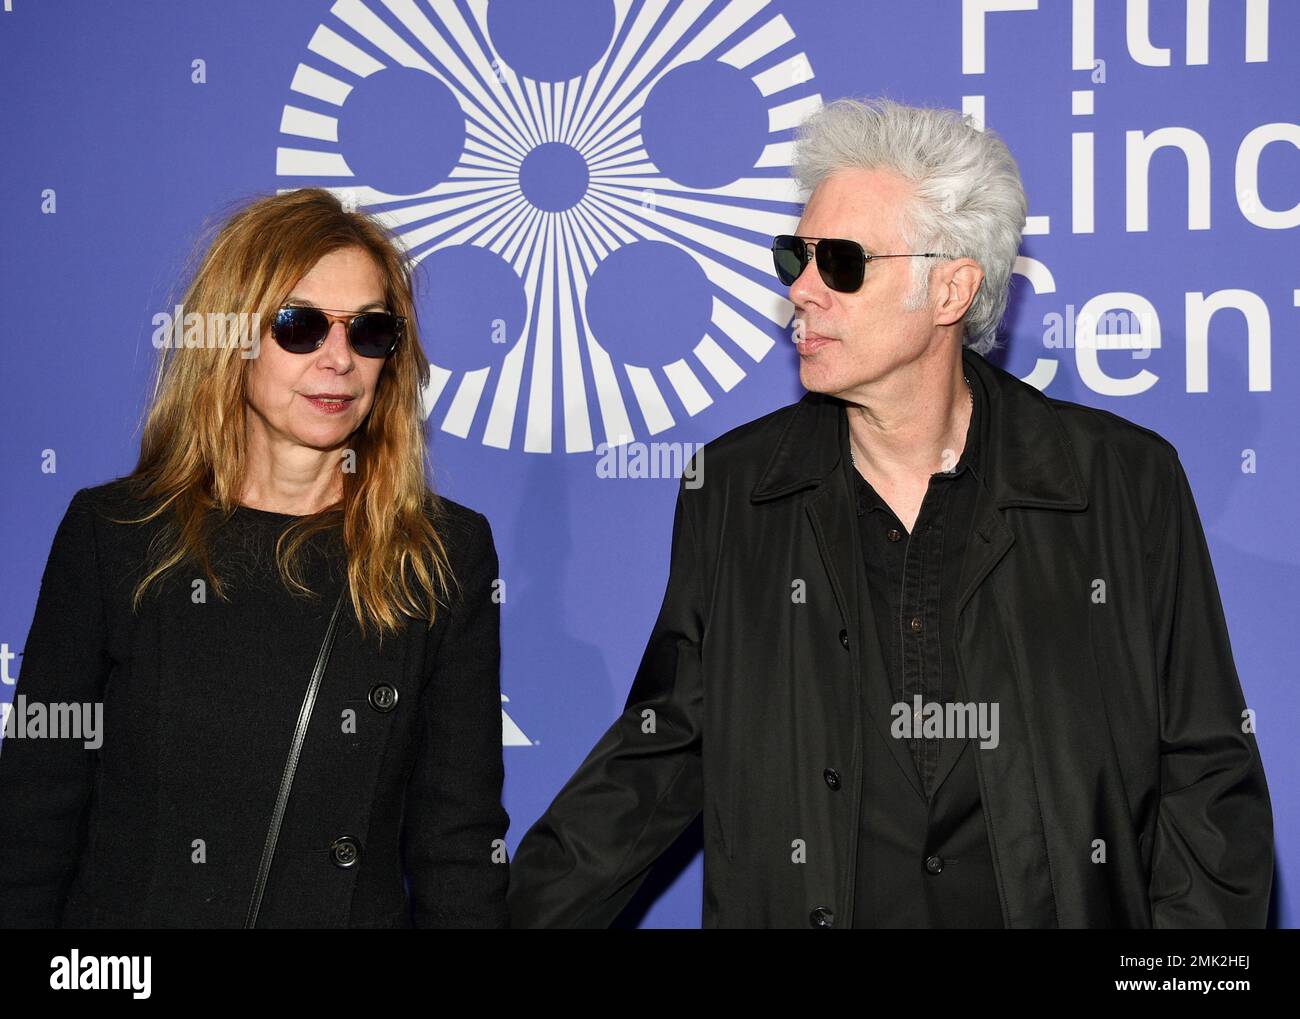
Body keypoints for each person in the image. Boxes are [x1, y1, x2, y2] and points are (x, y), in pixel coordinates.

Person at [506, 97, 1274, 928]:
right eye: (792, 255)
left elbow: (1207, 777)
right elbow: (663, 750)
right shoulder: (736, 491)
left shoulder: (1118, 483)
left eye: (839, 261)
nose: (800, 289)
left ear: (950, 287)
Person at [0, 188, 509, 928]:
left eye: (370, 331)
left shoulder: (440, 554)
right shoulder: (117, 534)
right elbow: (30, 820)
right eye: (299, 326)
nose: (339, 359)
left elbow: (457, 844)